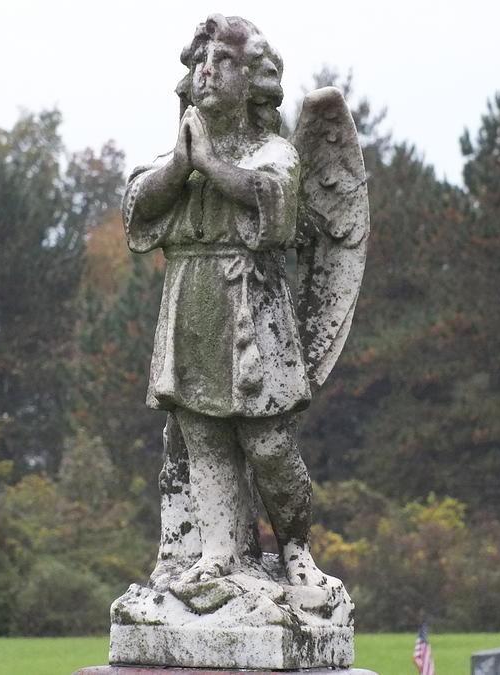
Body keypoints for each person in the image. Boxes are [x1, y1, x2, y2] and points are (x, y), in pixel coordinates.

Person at [122, 14, 330, 587]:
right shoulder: (176, 160)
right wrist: (182, 163)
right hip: (192, 303)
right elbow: (138, 206)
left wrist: (209, 164)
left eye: (224, 61)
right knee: (204, 440)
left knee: (268, 444)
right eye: (199, 62)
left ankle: (296, 551)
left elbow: (273, 201)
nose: (207, 71)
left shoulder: (273, 151)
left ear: (252, 80)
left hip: (251, 309)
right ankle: (218, 554)